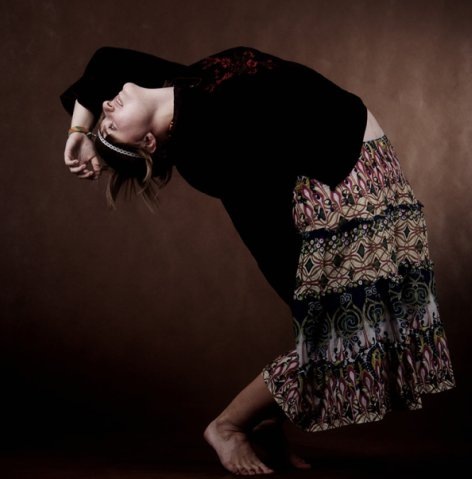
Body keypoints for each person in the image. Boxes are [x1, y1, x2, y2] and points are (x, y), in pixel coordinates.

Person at [61, 46, 455, 476]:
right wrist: (303, 292)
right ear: (148, 142)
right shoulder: (204, 145)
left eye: (103, 117)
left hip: (363, 152)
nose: (106, 108)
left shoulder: (174, 85)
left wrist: (79, 132)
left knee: (381, 322)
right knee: (360, 333)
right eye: (110, 126)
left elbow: (106, 62)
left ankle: (266, 425)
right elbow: (259, 216)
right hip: (345, 184)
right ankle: (228, 426)